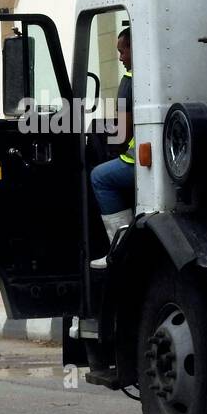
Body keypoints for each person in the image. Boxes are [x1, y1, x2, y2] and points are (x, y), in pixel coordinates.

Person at [89, 26, 135, 266]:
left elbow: (123, 134)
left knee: (100, 176)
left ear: (134, 49)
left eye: (122, 51)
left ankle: (120, 248)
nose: (120, 58)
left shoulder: (129, 81)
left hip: (136, 162)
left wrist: (113, 146)